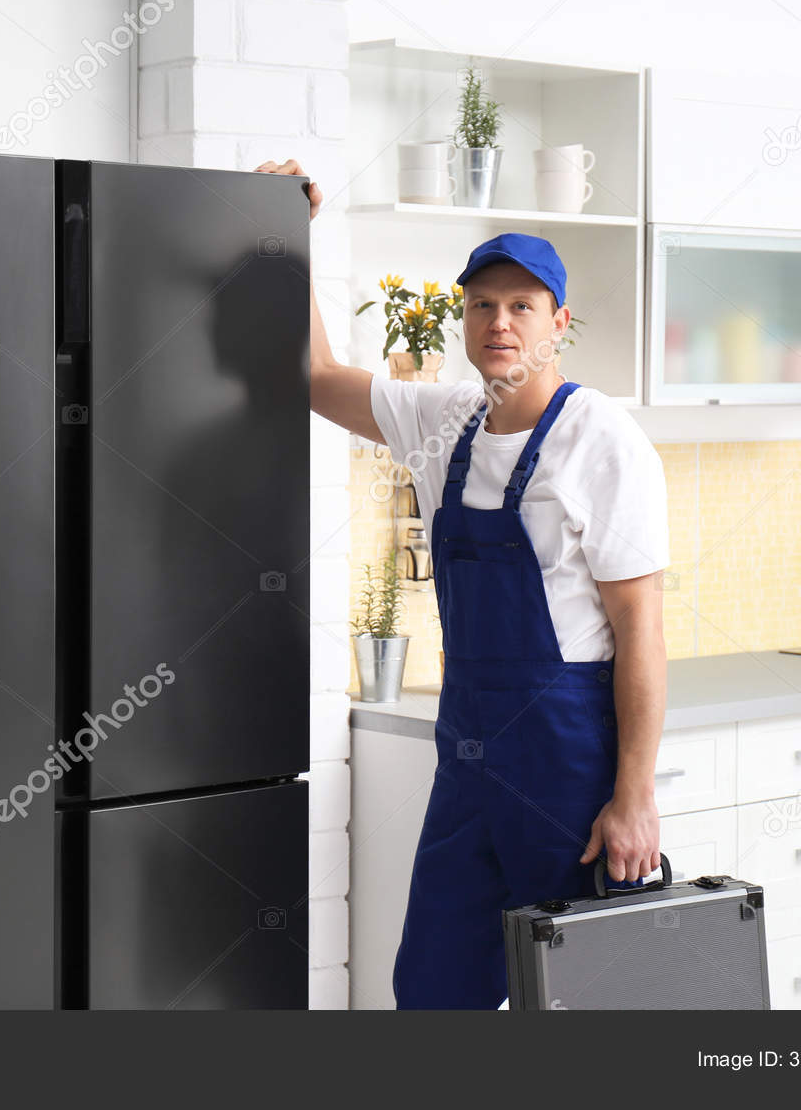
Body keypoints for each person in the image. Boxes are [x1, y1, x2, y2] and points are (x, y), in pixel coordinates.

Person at [256, 158, 670, 1010]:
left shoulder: (602, 440)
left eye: (522, 306)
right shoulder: (444, 419)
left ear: (559, 322)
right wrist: (286, 231)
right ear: (463, 318)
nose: (500, 323)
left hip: (570, 765)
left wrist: (634, 798)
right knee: (435, 989)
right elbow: (314, 376)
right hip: (469, 761)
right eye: (482, 304)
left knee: (585, 1000)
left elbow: (643, 630)